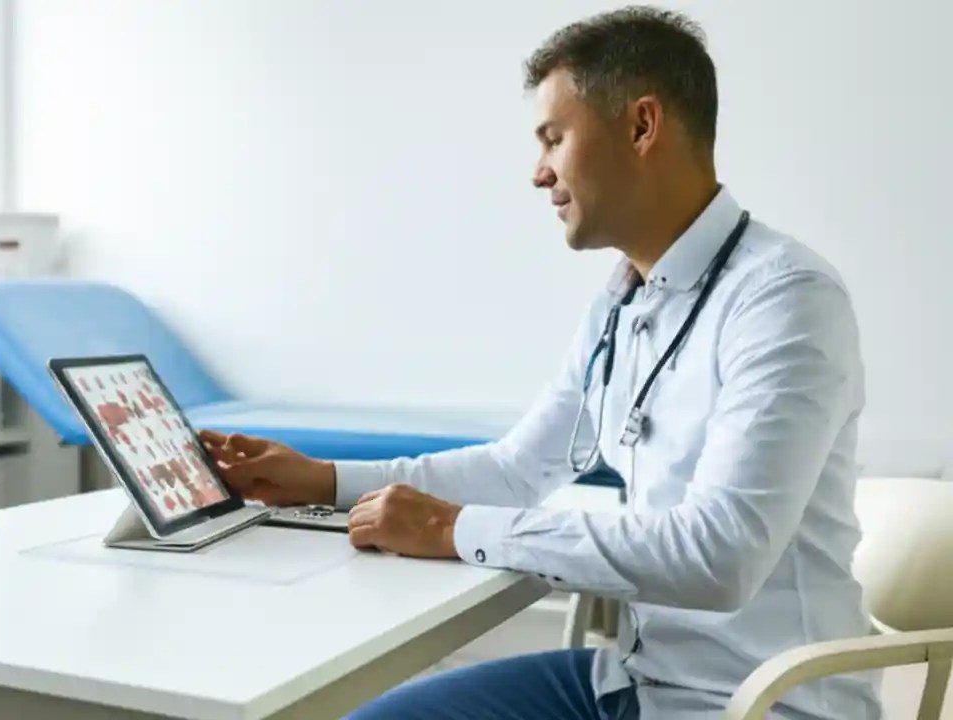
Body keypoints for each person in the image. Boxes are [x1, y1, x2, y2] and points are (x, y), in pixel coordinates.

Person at [200, 6, 879, 720]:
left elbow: (718, 557)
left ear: (642, 126)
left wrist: (452, 529)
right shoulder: (623, 302)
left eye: (554, 138)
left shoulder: (784, 299)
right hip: (638, 684)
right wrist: (325, 480)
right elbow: (518, 471)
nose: (539, 172)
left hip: (759, 707)